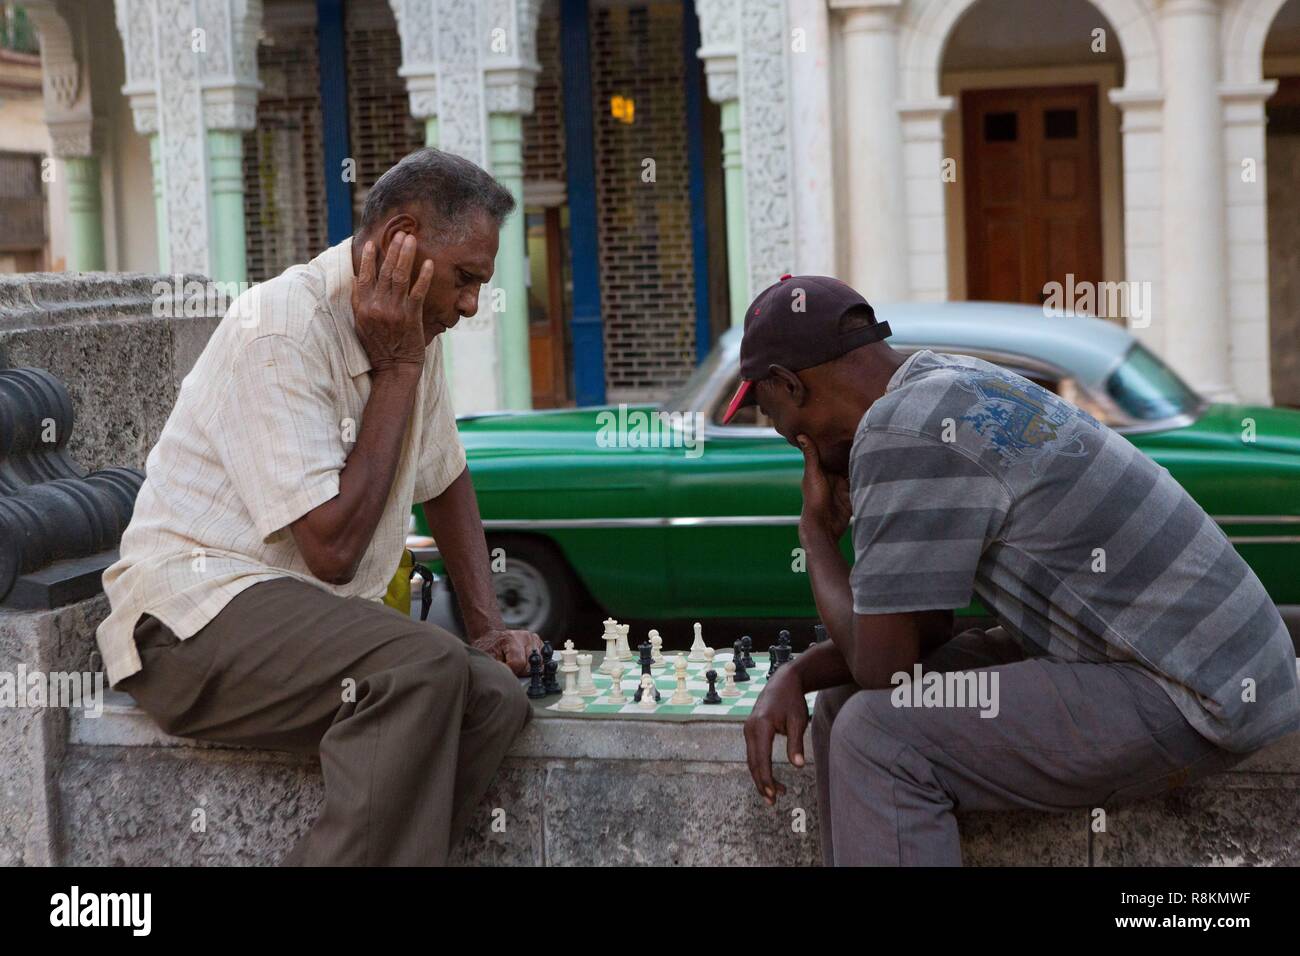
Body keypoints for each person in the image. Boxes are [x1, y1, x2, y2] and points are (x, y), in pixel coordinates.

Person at [733, 275, 1300, 866]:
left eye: (771, 414)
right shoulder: (942, 383)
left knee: (877, 737)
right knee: (838, 702)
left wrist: (816, 535)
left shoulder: (902, 429)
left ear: (789, 384)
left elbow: (884, 669)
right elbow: (915, 632)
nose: (784, 437)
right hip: (1185, 659)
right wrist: (798, 674)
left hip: (1190, 689)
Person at [96, 148, 541, 866]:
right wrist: (397, 368)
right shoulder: (282, 328)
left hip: (293, 622)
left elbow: (447, 478)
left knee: (492, 700)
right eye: (465, 279)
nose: (468, 305)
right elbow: (331, 552)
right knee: (421, 668)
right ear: (400, 239)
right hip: (183, 624)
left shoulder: (411, 330)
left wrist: (488, 629)